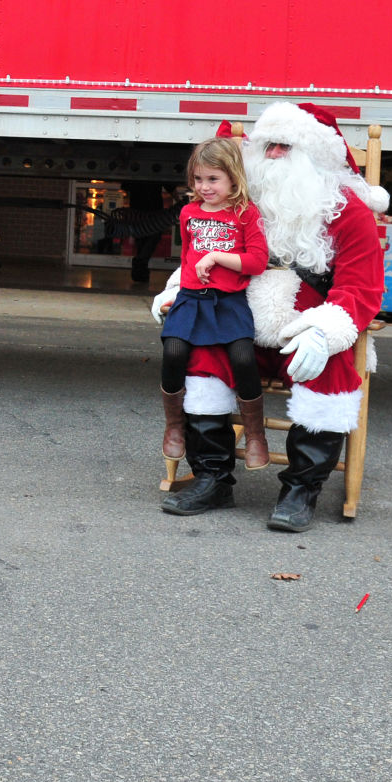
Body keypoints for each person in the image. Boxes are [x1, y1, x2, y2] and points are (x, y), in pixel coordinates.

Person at [176, 103, 386, 532]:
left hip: (303, 330)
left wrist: (324, 332)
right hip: (234, 323)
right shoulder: (236, 202)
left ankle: (301, 489)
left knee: (328, 369)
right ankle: (213, 477)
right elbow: (198, 255)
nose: (272, 155)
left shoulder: (346, 210)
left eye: (284, 147)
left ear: (317, 154)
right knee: (200, 360)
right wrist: (173, 293)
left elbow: (361, 286)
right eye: (268, 145)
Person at [151, 135, 269, 513]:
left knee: (243, 358)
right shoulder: (189, 213)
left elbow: (257, 261)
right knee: (173, 351)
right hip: (191, 299)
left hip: (228, 302)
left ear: (233, 177)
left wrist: (217, 256)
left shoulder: (245, 213)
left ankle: (255, 434)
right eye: (198, 179)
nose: (204, 187)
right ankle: (174, 425)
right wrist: (175, 292)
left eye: (213, 179)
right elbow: (188, 258)